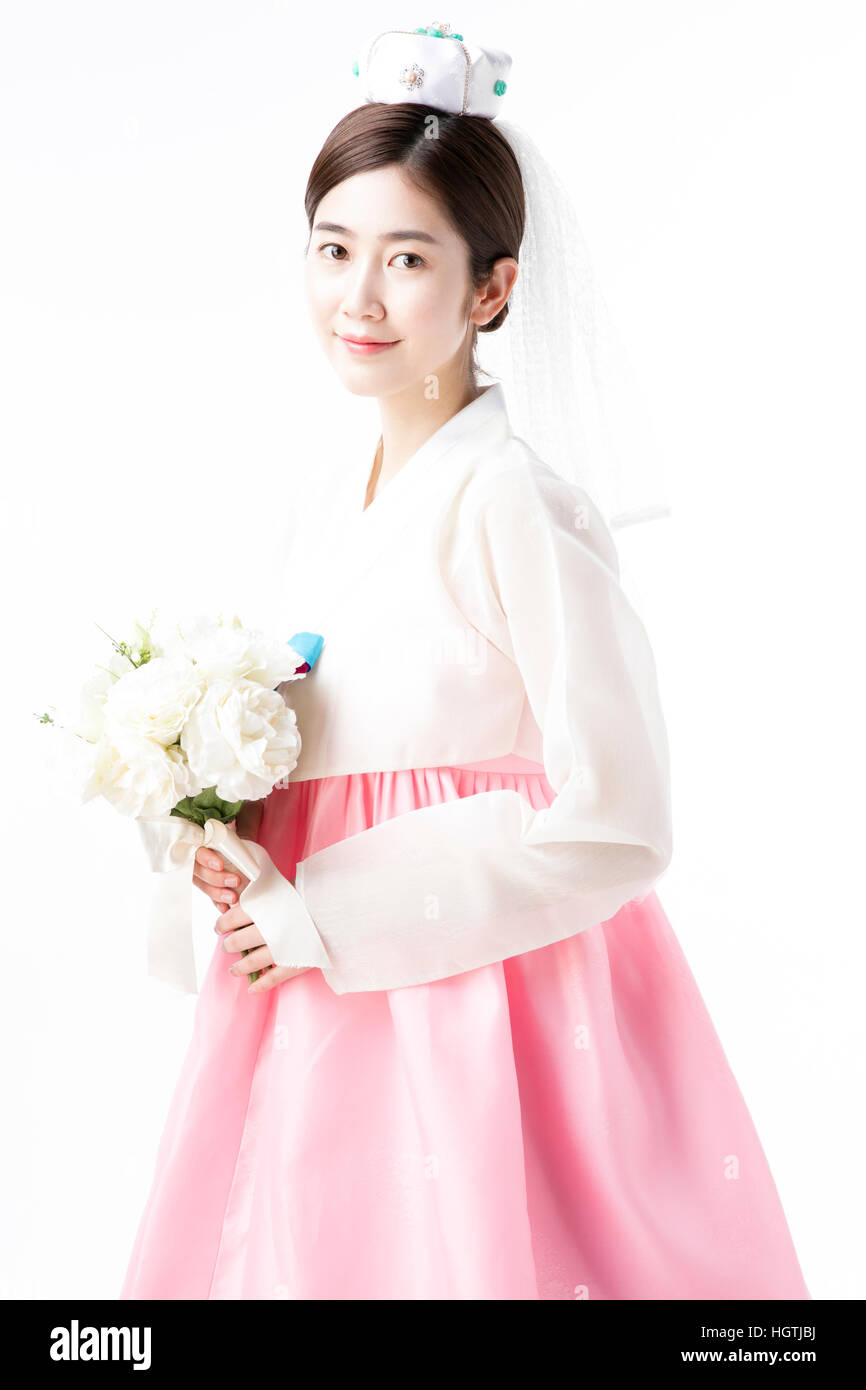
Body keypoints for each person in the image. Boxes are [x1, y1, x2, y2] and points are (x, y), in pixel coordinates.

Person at [119, 25, 811, 1300]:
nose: (358, 297)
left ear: (488, 290)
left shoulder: (512, 505)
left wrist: (330, 907)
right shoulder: (324, 497)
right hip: (315, 1004)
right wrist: (224, 834)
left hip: (474, 1017)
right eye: (333, 250)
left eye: (406, 260)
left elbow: (617, 819)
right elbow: (320, 747)